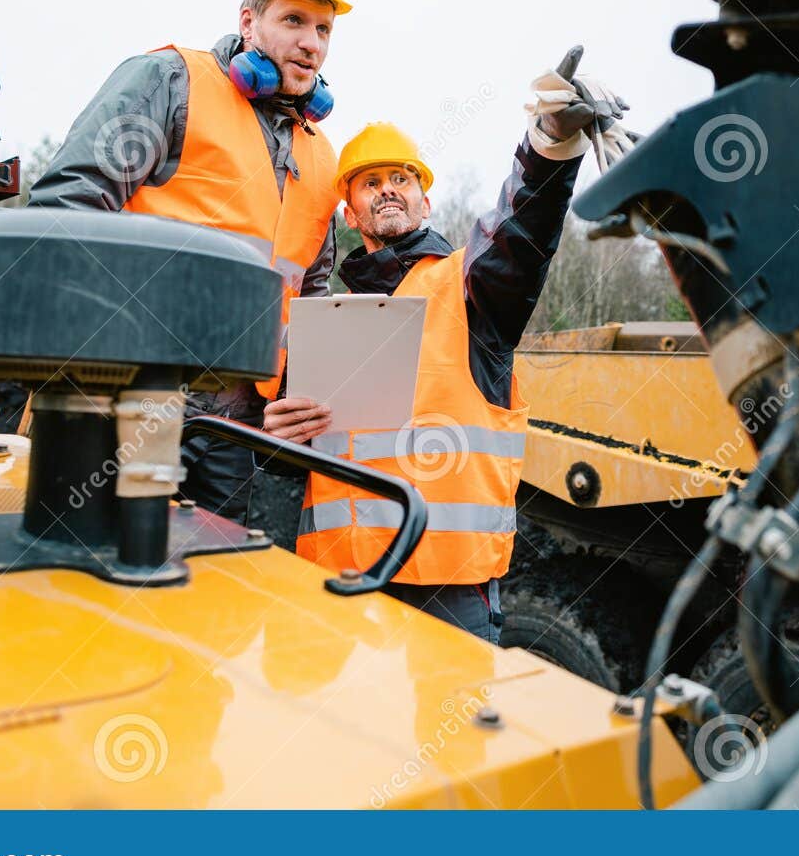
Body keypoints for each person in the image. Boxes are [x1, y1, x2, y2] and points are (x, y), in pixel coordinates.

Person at [263, 63, 632, 641]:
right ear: (350, 212)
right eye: (370, 181)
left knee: (453, 734)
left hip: (448, 594)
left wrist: (548, 146)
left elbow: (521, 234)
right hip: (338, 589)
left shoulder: (472, 288)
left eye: (403, 178)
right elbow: (301, 450)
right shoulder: (323, 322)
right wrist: (276, 437)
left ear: (425, 202)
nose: (388, 187)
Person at [29, 0, 346, 521]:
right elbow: (64, 212)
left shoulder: (322, 157)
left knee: (207, 588)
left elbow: (312, 300)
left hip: (236, 428)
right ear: (248, 22)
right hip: (126, 399)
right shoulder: (170, 82)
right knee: (93, 571)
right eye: (294, 20)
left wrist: (298, 398)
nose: (311, 42)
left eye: (324, 29)